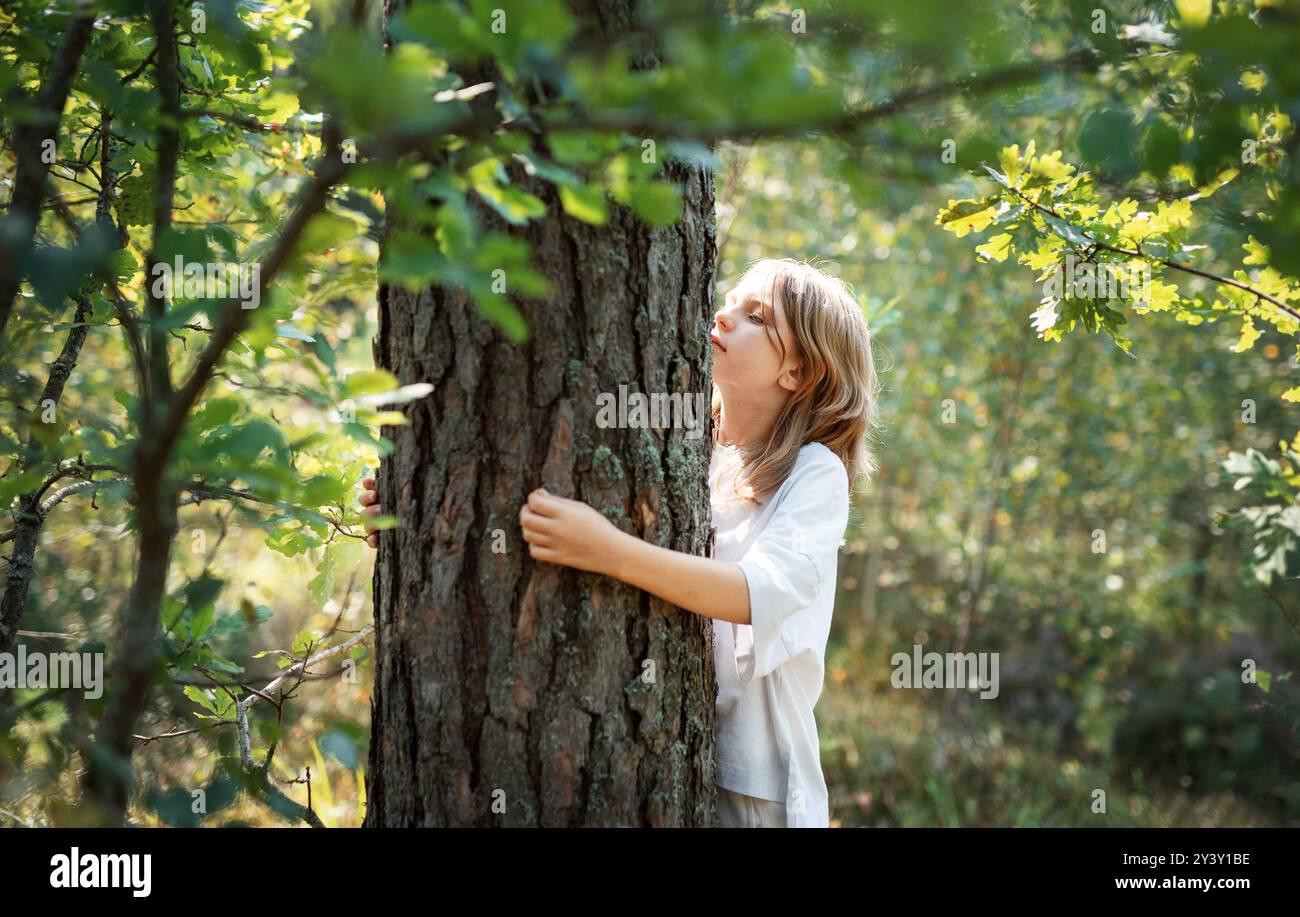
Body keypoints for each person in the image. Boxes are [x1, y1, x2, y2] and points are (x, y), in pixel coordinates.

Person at [359, 257, 882, 827]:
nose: (723, 318)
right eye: (728, 302)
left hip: (756, 787)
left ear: (799, 373)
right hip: (680, 754)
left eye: (756, 317)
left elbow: (758, 592)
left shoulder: (814, 473)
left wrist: (607, 550)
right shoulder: (687, 449)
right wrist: (421, 515)